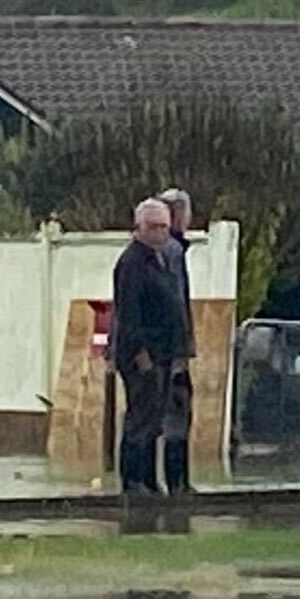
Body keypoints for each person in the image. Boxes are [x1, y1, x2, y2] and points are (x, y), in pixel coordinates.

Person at [110, 198, 189, 496]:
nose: (159, 233)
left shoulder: (163, 257)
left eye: (164, 228)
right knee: (140, 418)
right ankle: (133, 480)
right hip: (141, 354)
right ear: (139, 227)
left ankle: (148, 479)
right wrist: (139, 352)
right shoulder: (131, 262)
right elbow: (128, 313)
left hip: (164, 351)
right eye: (153, 227)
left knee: (155, 420)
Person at [158, 187, 198, 493]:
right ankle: (177, 482)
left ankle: (176, 480)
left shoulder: (167, 250)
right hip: (171, 351)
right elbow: (175, 304)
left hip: (167, 348)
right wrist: (180, 352)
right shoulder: (172, 251)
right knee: (177, 414)